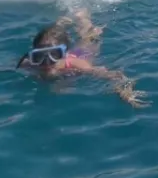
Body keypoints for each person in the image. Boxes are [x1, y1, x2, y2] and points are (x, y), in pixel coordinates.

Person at [16, 9, 149, 108]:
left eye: (54, 55)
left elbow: (117, 76)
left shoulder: (77, 66)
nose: (46, 61)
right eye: (40, 55)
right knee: (54, 36)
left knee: (89, 36)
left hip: (83, 53)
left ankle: (83, 17)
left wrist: (125, 92)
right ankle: (61, 23)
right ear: (33, 55)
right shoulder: (28, 64)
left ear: (65, 54)